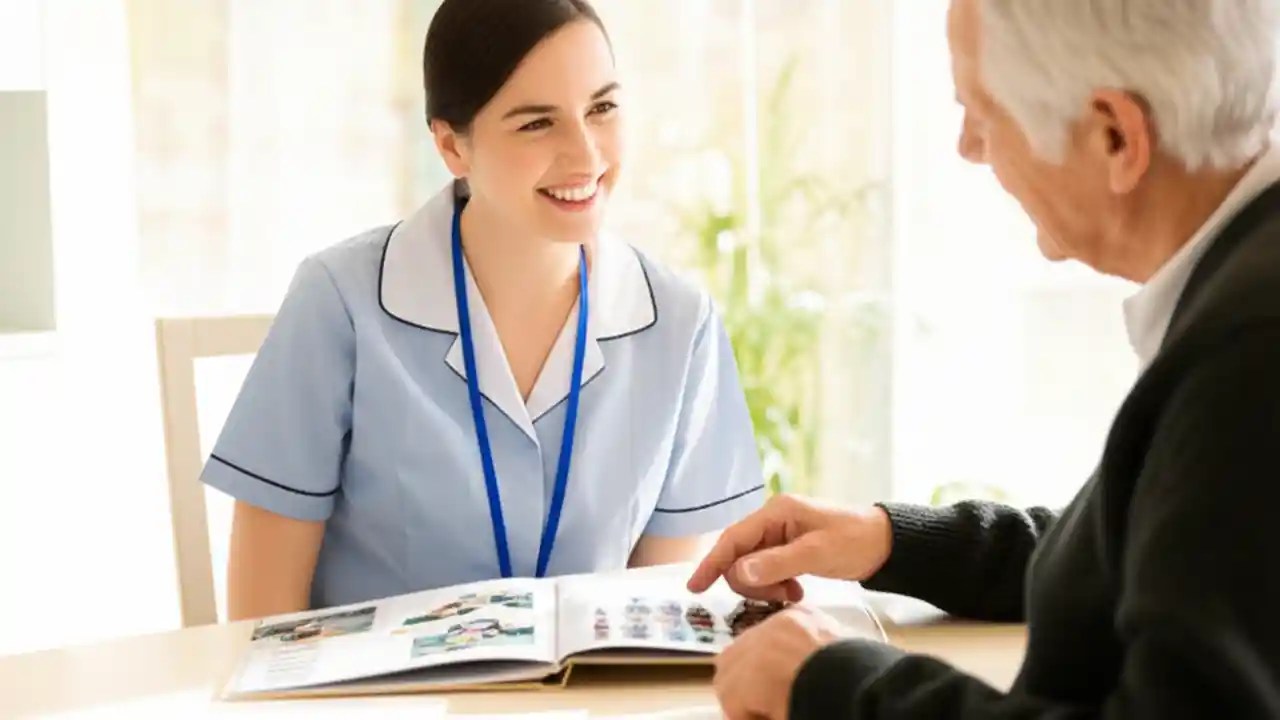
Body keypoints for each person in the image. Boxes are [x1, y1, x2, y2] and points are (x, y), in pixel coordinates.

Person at [688, 0, 1280, 718]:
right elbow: (1153, 560)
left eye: (983, 112)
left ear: (1115, 137)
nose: (969, 146)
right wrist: (893, 542)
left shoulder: (1249, 355)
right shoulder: (1245, 283)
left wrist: (840, 684)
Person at [203, 0, 765, 621]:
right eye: (537, 123)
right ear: (451, 146)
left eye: (601, 109)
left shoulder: (682, 326)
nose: (585, 156)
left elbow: (657, 616)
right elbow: (262, 620)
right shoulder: (338, 302)